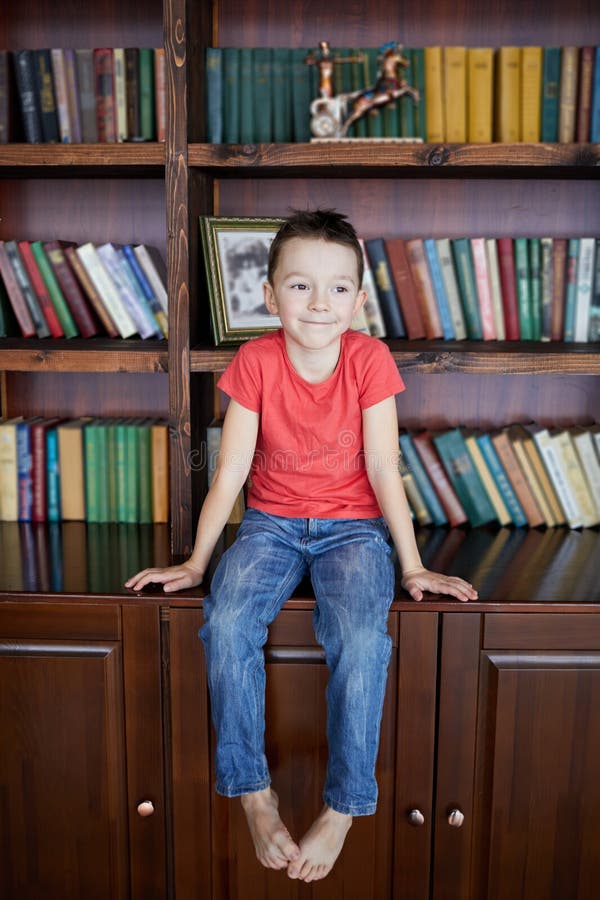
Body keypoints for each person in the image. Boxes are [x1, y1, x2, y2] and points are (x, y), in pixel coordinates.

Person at [125, 209, 478, 883]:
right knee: (226, 622)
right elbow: (229, 470)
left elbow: (382, 468)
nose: (320, 303)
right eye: (300, 286)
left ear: (360, 297)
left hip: (354, 530)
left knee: (362, 637)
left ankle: (344, 807)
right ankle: (254, 793)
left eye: (338, 287)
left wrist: (413, 566)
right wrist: (198, 563)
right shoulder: (255, 361)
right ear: (269, 295)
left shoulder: (370, 359)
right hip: (271, 526)